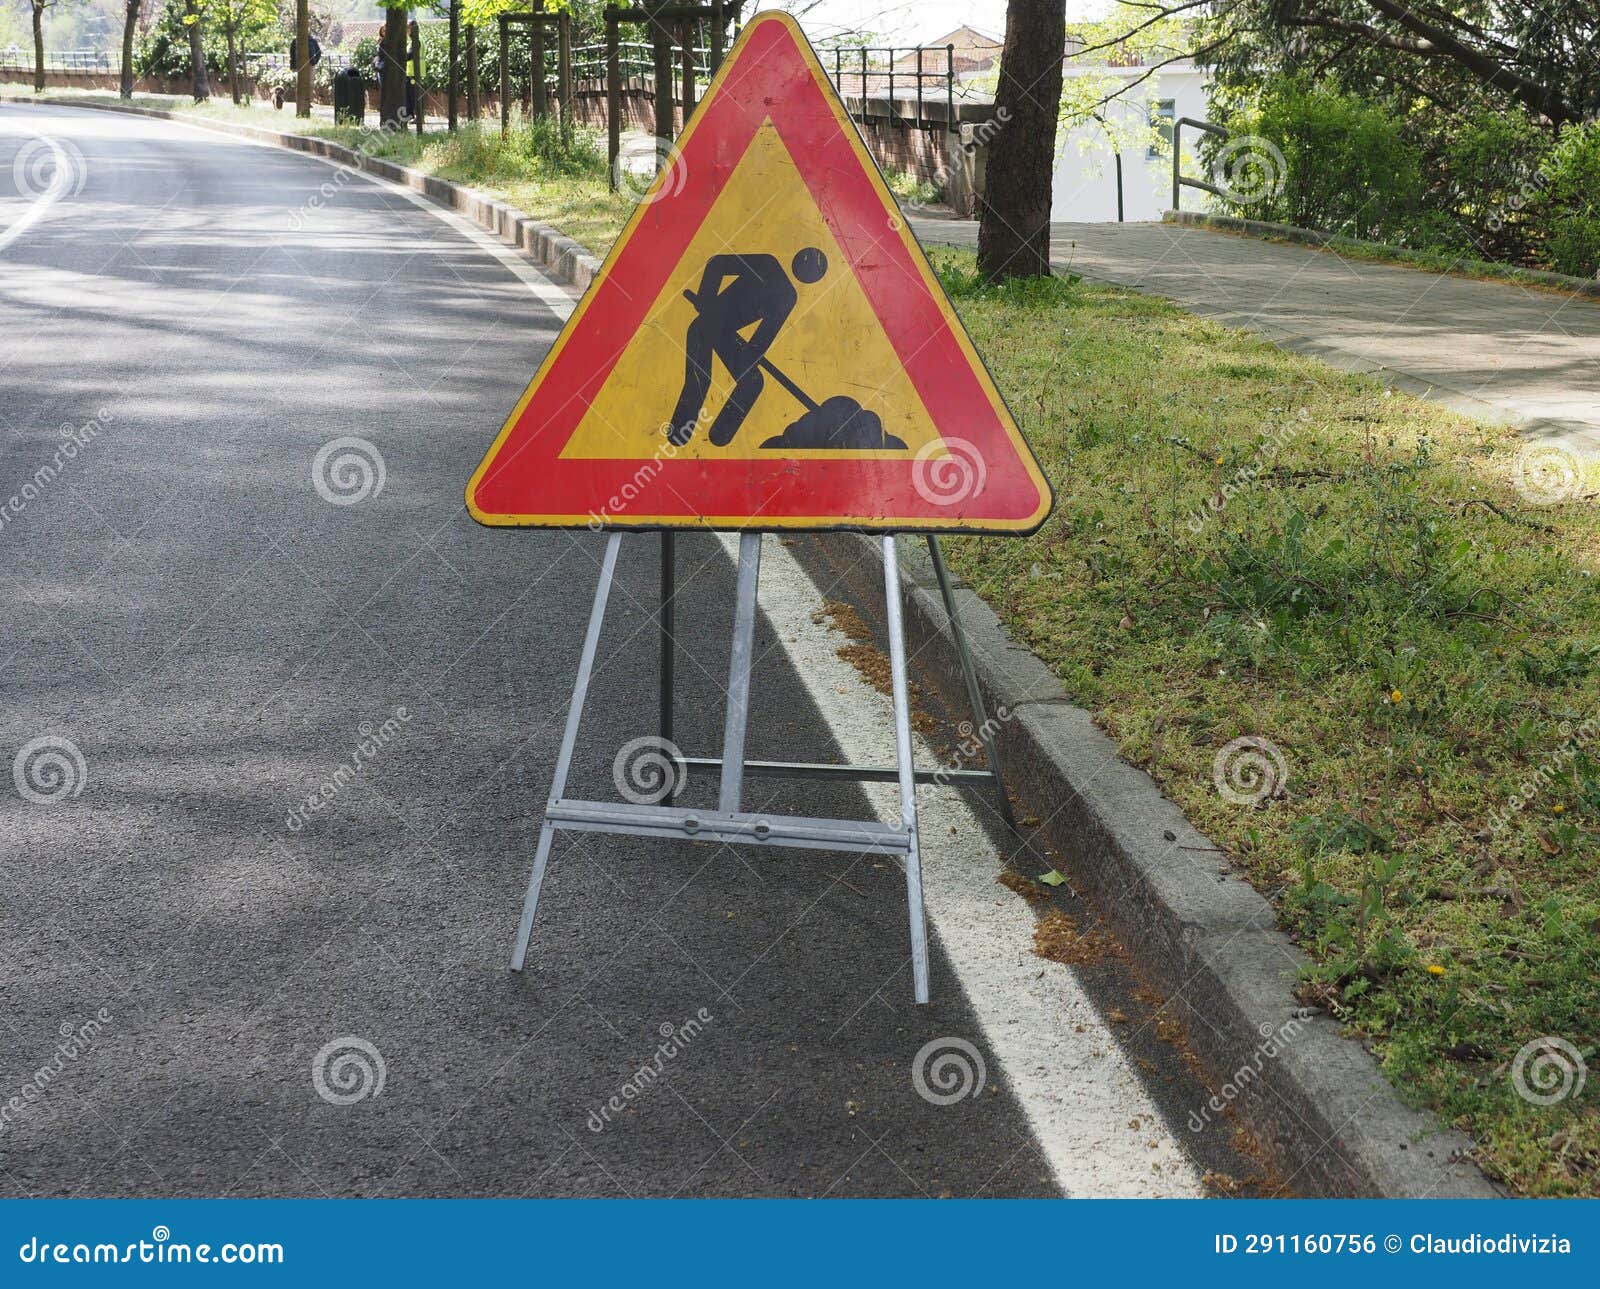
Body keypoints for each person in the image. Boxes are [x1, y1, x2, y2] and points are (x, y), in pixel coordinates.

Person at [669, 248, 828, 448]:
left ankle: (719, 436)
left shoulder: (788, 296)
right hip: (704, 326)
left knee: (752, 381)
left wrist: (750, 353)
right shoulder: (767, 264)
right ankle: (680, 431)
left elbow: (763, 337)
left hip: (724, 331)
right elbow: (717, 264)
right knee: (700, 377)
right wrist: (707, 297)